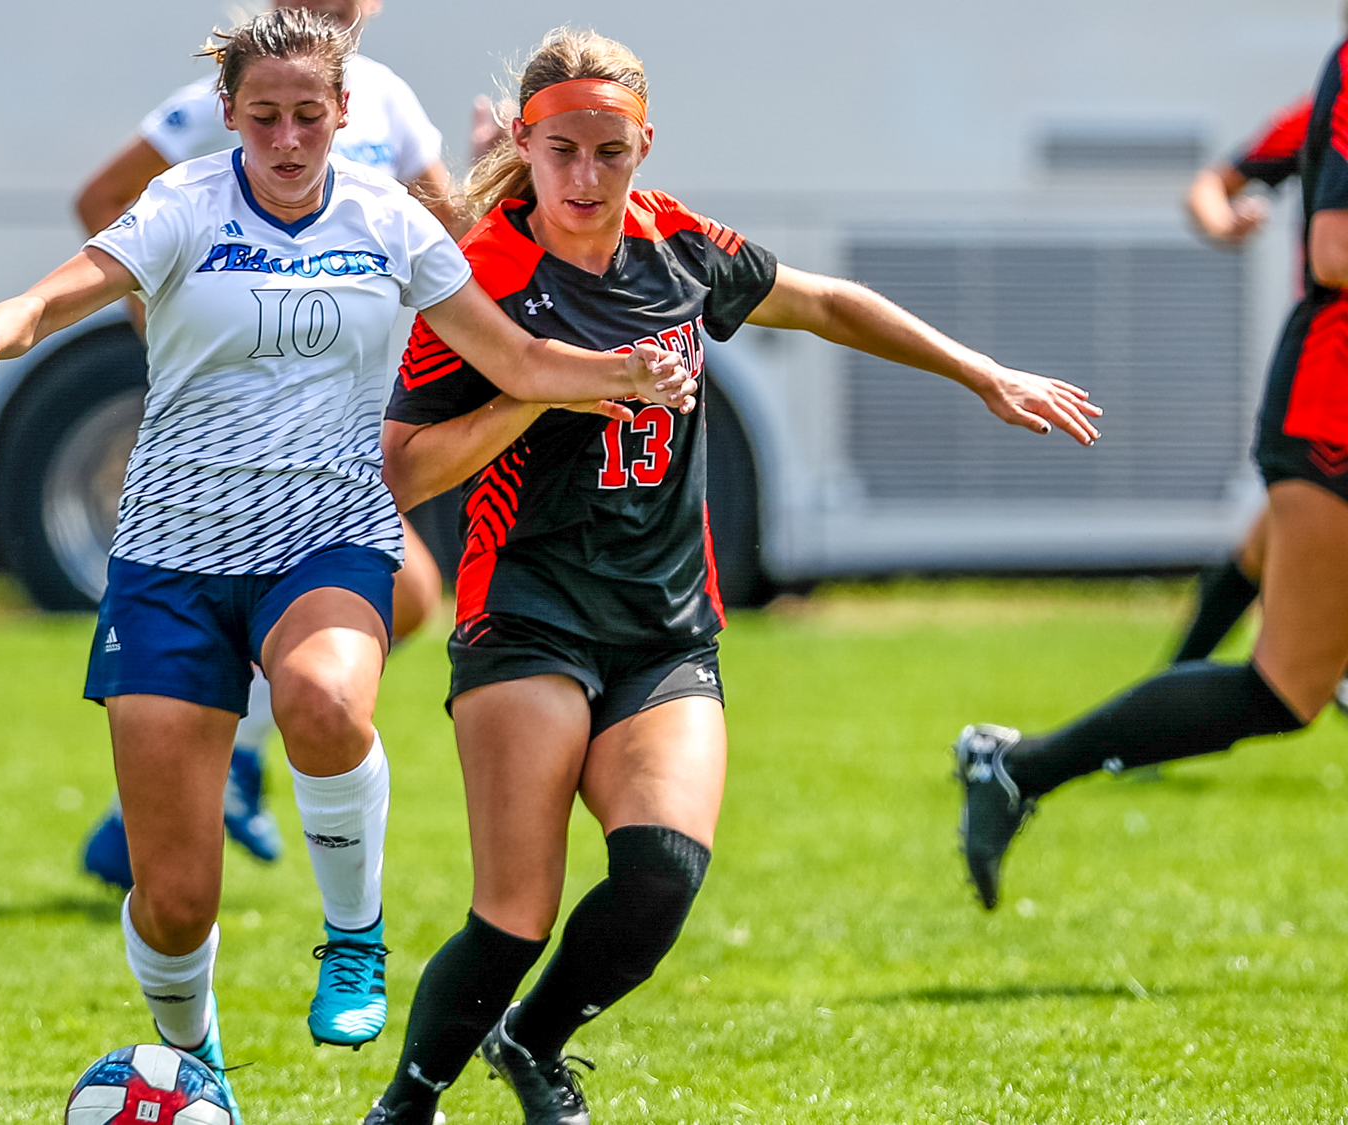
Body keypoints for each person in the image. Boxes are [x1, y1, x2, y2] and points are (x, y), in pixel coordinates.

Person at [0, 10, 693, 1113]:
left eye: (307, 116)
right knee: (174, 900)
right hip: (168, 554)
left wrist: (616, 374)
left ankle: (353, 936)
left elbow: (513, 353)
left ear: (343, 112)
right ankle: (201, 1071)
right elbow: (56, 291)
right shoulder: (184, 203)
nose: (287, 138)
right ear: (229, 114)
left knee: (326, 699)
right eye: (264, 117)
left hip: (325, 529)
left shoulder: (389, 218)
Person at [361, 30, 1102, 1125]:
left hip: (663, 627)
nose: (584, 177)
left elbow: (820, 301)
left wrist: (976, 370)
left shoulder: (676, 246)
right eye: (560, 150)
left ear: (642, 147)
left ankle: (535, 1040)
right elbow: (405, 465)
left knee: (661, 871)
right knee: (513, 916)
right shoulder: (480, 281)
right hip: (524, 613)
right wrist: (543, 389)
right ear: (525, 143)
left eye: (609, 152)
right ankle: (408, 1104)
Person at [955, 32, 1348, 913]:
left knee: (1276, 623)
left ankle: (1020, 766)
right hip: (1332, 409)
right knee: (1286, 687)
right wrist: (1218, 215)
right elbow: (1331, 249)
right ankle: (1018, 768)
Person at [73, 0, 458, 890]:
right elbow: (101, 202)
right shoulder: (222, 103)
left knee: (404, 598)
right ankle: (202, 785)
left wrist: (511, 173)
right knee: (399, 591)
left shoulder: (388, 100)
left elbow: (458, 236)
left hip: (343, 430)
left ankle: (231, 767)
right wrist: (174, 331)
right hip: (235, 444)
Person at [1175, 99, 1348, 713]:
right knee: (1270, 542)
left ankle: (1163, 703)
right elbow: (1211, 185)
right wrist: (1223, 223)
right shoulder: (1326, 108)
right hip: (1328, 371)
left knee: (1269, 541)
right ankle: (1164, 702)